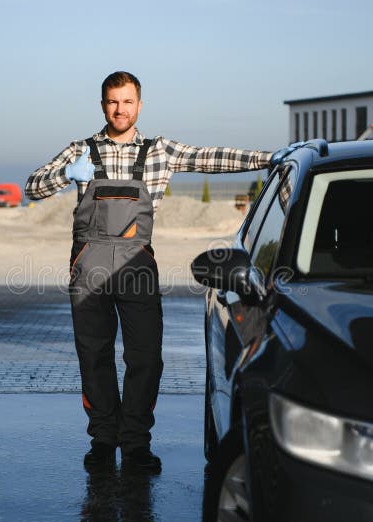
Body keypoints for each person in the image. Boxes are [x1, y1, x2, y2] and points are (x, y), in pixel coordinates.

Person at [26, 71, 286, 473]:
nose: (120, 109)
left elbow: (210, 158)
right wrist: (65, 174)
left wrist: (269, 159)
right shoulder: (80, 150)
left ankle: (135, 445)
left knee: (145, 357)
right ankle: (102, 441)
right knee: (94, 356)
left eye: (127, 101)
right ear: (102, 105)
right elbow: (32, 187)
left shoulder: (160, 151)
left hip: (137, 266)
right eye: (113, 102)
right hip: (88, 267)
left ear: (140, 105)